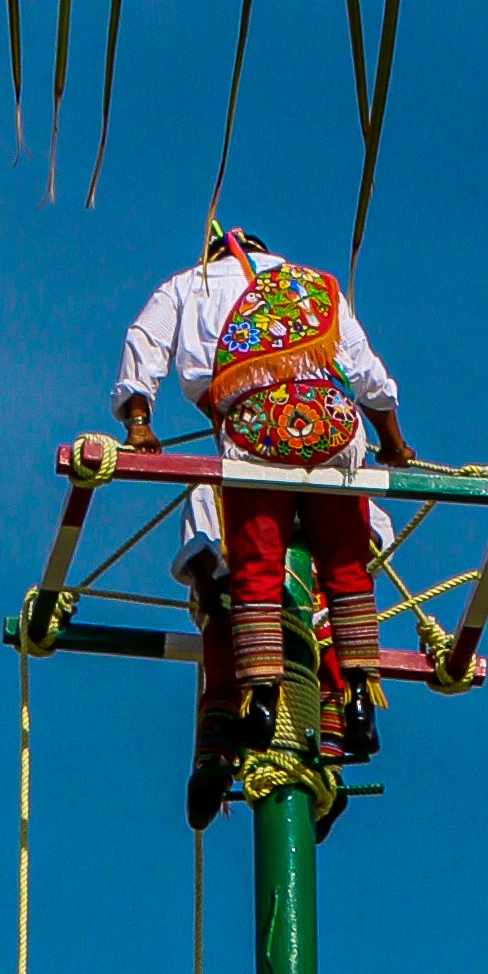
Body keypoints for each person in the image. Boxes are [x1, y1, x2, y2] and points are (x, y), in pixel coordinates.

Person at [105, 213, 406, 816]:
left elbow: (144, 344)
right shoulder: (313, 284)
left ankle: (248, 705)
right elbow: (366, 372)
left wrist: (139, 425)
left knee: (248, 573)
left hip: (253, 440)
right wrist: (394, 443)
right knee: (348, 569)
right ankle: (352, 705)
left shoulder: (187, 285)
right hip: (333, 435)